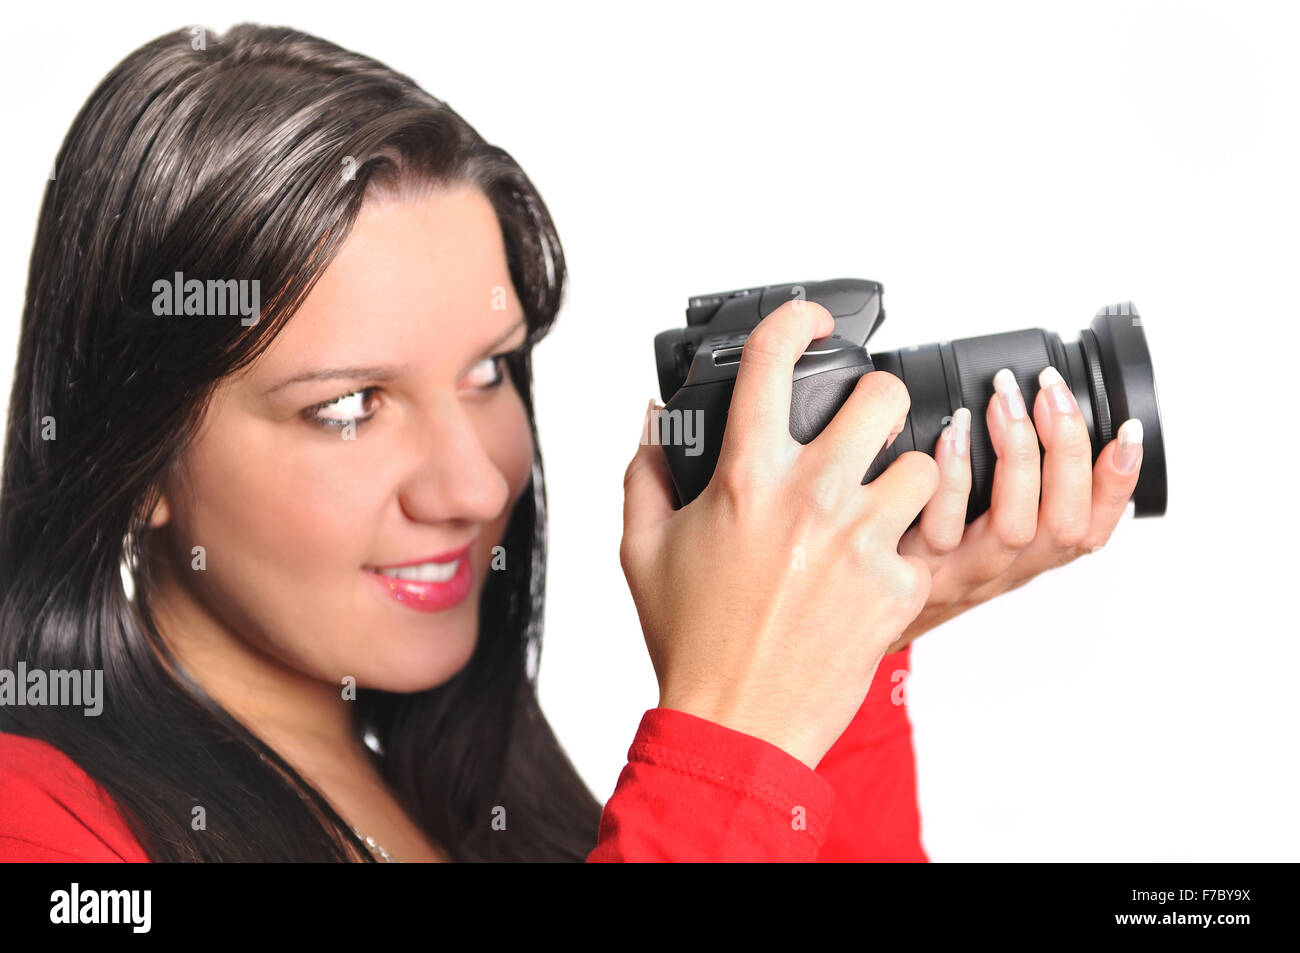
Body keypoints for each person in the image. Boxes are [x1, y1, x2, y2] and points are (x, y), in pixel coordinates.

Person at [0, 24, 1144, 863]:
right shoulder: (36, 824)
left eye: (488, 371)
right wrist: (727, 740)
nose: (472, 482)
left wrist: (831, 667)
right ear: (136, 454)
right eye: (348, 404)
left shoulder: (471, 805)